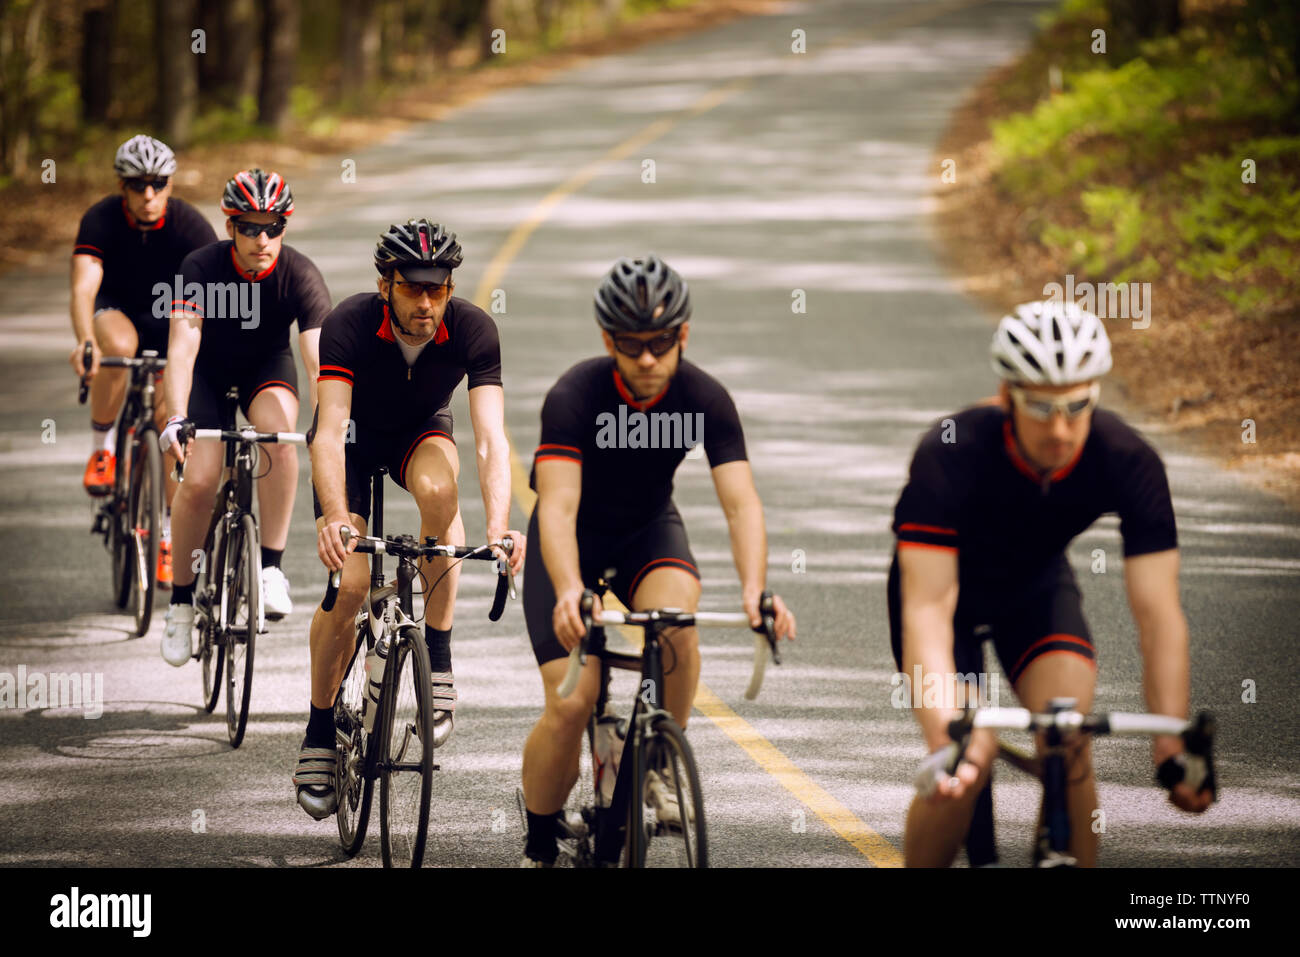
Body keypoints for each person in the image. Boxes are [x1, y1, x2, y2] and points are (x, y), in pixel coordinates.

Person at [888, 299, 1214, 868]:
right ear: (1006, 394)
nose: (1060, 429)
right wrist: (948, 737)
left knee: (1068, 734)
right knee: (965, 763)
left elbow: (1159, 616)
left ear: (1097, 394)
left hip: (1034, 592)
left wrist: (1171, 742)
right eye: (1040, 408)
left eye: (1076, 405)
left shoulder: (1127, 459)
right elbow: (927, 614)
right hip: (946, 601)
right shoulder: (951, 452)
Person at [518, 255, 797, 867]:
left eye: (661, 343)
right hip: (570, 544)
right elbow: (558, 509)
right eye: (631, 345)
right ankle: (540, 836)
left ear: (684, 336)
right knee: (570, 702)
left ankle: (660, 758)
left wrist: (755, 591)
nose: (647, 359)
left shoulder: (704, 397)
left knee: (676, 624)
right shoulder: (575, 395)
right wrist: (569, 590)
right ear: (608, 341)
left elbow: (741, 505)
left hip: (647, 533)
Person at [295, 219, 525, 819]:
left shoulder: (473, 328)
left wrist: (499, 527)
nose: (427, 302)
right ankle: (320, 730)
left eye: (439, 288)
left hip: (421, 434)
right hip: (349, 441)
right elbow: (325, 430)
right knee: (349, 589)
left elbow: (490, 440)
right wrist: (337, 518)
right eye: (413, 287)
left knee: (439, 491)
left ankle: (439, 656)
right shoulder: (348, 323)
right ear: (385, 284)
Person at [159, 169, 330, 666]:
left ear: (284, 227)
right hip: (208, 376)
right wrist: (174, 415)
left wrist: (329, 423)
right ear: (230, 225)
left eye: (273, 227)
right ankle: (181, 604)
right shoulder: (200, 266)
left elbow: (319, 360)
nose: (262, 238)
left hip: (264, 369)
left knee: (278, 440)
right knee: (201, 476)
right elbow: (183, 345)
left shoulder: (299, 273)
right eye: (250, 227)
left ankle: (271, 567)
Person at [70, 134, 217, 587]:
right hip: (117, 313)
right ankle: (103, 452)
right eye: (138, 186)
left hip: (171, 321)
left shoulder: (190, 225)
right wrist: (83, 341)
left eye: (157, 184)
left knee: (171, 428)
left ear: (170, 185)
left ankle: (169, 538)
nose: (148, 195)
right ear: (122, 187)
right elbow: (83, 287)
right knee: (117, 349)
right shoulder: (100, 220)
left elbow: (213, 290)